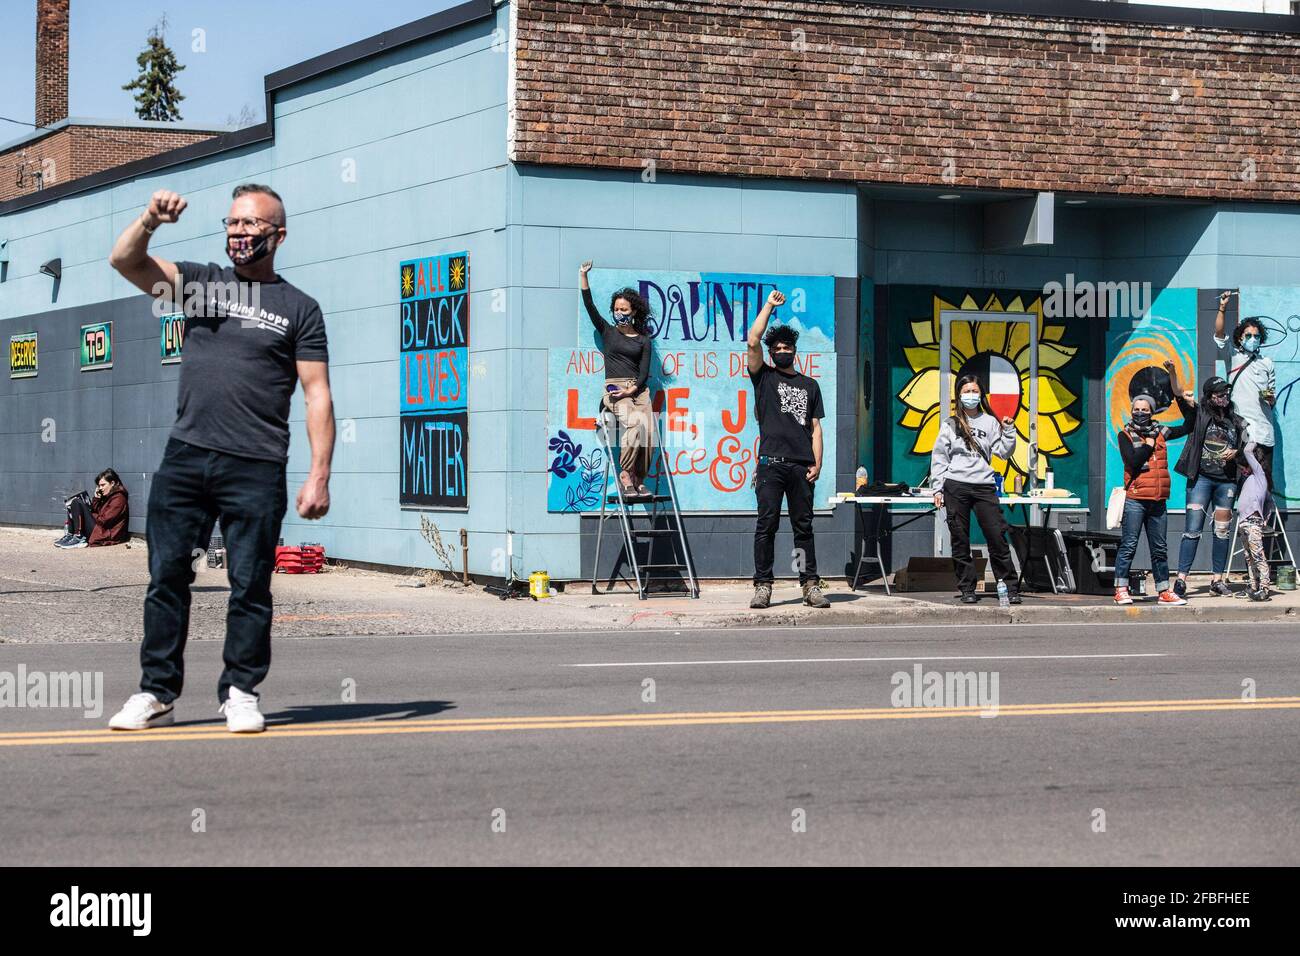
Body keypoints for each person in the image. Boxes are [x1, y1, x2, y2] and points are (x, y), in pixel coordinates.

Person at [105, 184, 334, 733]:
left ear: (278, 234)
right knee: (166, 577)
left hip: (255, 465)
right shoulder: (200, 286)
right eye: (232, 224)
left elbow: (317, 393)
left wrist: (318, 475)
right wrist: (150, 219)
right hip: (186, 457)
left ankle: (240, 691)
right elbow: (124, 260)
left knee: (250, 583)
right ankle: (157, 693)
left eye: (250, 225)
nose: (238, 233)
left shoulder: (300, 308)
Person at [747, 289, 829, 610]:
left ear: (795, 350)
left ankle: (808, 584)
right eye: (777, 347)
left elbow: (816, 428)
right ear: (772, 352)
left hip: (801, 467)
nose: (782, 351)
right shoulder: (763, 377)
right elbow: (753, 340)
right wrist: (769, 306)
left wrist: (818, 463)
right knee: (766, 526)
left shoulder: (810, 385)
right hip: (770, 464)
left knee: (803, 528)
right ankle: (763, 585)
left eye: (787, 347)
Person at [930, 374, 1019, 605]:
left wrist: (1009, 431)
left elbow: (1003, 452)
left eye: (974, 391)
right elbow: (940, 456)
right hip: (955, 485)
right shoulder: (951, 423)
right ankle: (967, 588)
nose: (971, 395)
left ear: (981, 394)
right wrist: (937, 488)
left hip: (984, 485)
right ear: (959, 395)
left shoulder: (990, 422)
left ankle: (1009, 586)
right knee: (960, 539)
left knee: (996, 535)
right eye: (966, 391)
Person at [1166, 363, 1247, 599]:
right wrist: (1172, 372)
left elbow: (1247, 451)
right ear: (1209, 396)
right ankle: (1181, 580)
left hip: (1227, 482)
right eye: (1219, 393)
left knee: (1222, 531)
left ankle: (1217, 580)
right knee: (1192, 530)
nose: (1224, 397)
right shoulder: (1199, 413)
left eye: (1226, 393)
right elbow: (1179, 395)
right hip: (1200, 479)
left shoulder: (1237, 420)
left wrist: (1236, 454)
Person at [579, 260, 654, 498]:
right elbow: (589, 305)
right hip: (614, 388)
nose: (619, 313)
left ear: (634, 312)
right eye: (617, 309)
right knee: (635, 423)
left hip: (638, 389)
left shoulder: (643, 340)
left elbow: (643, 372)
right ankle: (625, 473)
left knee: (649, 433)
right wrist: (583, 275)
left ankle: (639, 479)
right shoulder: (607, 331)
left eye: (624, 309)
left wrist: (632, 390)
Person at [1112, 394, 1189, 606]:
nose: (1140, 413)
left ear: (1152, 412)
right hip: (1136, 499)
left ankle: (1163, 591)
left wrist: (1185, 401)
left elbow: (1188, 425)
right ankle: (1120, 589)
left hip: (1158, 500)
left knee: (1159, 547)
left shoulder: (1162, 432)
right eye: (1136, 409)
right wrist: (1148, 446)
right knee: (1129, 545)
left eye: (1145, 410)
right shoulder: (1125, 434)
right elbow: (1132, 461)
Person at [1214, 292, 1276, 489]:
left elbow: (1272, 397)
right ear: (1240, 338)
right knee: (1241, 483)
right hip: (1240, 432)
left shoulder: (1267, 363)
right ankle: (1241, 520)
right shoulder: (1232, 356)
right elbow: (1219, 335)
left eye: (1256, 336)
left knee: (1263, 485)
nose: (1252, 339)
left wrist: (1269, 398)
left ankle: (1262, 519)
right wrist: (1222, 308)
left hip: (1264, 433)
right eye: (1248, 335)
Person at [55, 469, 130, 549]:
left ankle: (79, 538)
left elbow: (103, 520)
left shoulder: (118, 499)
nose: (100, 488)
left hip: (106, 534)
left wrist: (87, 513)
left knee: (77, 502)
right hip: (100, 530)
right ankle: (71, 534)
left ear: (112, 483)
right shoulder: (108, 496)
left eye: (103, 485)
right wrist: (96, 499)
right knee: (72, 502)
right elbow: (96, 511)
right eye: (99, 486)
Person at [1237, 442, 1273, 601]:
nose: (1243, 470)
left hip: (1252, 522)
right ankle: (1253, 586)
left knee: (1258, 555)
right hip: (1244, 522)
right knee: (1249, 557)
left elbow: (1247, 450)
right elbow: (1270, 501)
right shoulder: (1251, 479)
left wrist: (1255, 436)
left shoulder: (1259, 475)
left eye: (1245, 467)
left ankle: (1265, 588)